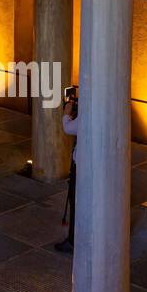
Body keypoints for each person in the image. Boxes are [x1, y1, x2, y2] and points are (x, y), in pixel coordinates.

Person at [55, 88, 79, 253]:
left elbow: (69, 128)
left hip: (82, 167)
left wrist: (66, 113)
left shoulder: (91, 112)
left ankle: (73, 240)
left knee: (76, 202)